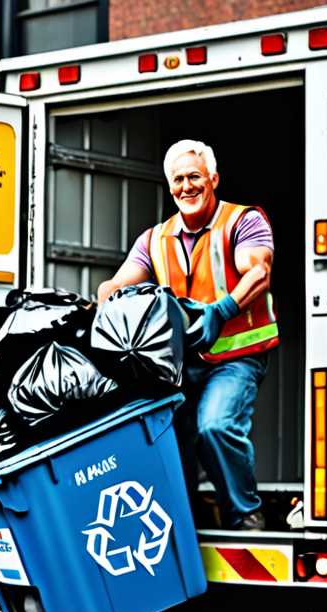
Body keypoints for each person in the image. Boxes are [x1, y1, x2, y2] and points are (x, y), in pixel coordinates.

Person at [96, 140, 277, 531]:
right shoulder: (155, 239)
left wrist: (222, 311)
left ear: (213, 179)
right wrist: (108, 303)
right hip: (180, 366)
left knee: (214, 426)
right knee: (156, 435)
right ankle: (182, 520)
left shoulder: (242, 222)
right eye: (177, 179)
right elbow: (114, 285)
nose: (186, 186)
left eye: (195, 176)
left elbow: (258, 272)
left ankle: (245, 515)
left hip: (236, 356)